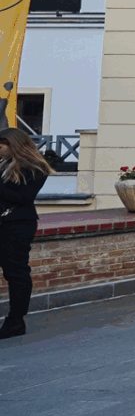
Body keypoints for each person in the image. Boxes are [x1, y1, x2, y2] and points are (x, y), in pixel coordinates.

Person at [0, 128, 52, 340]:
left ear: (15, 145)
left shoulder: (36, 167)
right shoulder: (2, 164)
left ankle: (15, 321)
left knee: (15, 272)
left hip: (17, 224)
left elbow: (23, 197)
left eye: (3, 144)